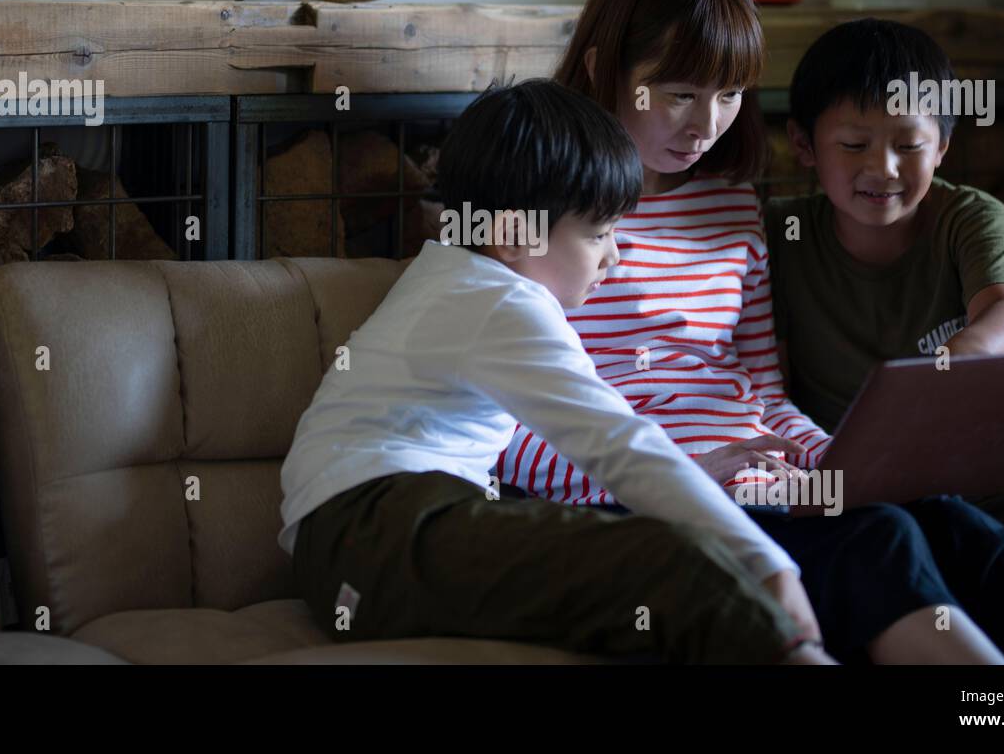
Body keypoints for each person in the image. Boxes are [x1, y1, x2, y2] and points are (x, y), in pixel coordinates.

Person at [497, 0, 1004, 663]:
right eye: (679, 93)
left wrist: (841, 464)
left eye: (731, 94)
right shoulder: (540, 217)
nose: (706, 124)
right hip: (655, 490)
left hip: (770, 474)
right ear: (602, 68)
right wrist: (678, 474)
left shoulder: (733, 204)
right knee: (889, 537)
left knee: (954, 522)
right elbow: (509, 421)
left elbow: (763, 394)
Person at [280, 78, 833, 664]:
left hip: (366, 536)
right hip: (373, 533)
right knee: (670, 560)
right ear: (512, 233)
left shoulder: (455, 275)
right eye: (599, 233)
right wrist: (768, 564)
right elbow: (617, 444)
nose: (614, 256)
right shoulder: (497, 303)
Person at [763, 16, 1004, 617]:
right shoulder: (779, 233)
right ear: (805, 145)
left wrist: (966, 354)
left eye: (908, 146)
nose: (883, 169)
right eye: (855, 144)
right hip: (893, 487)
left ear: (941, 146)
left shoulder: (969, 216)